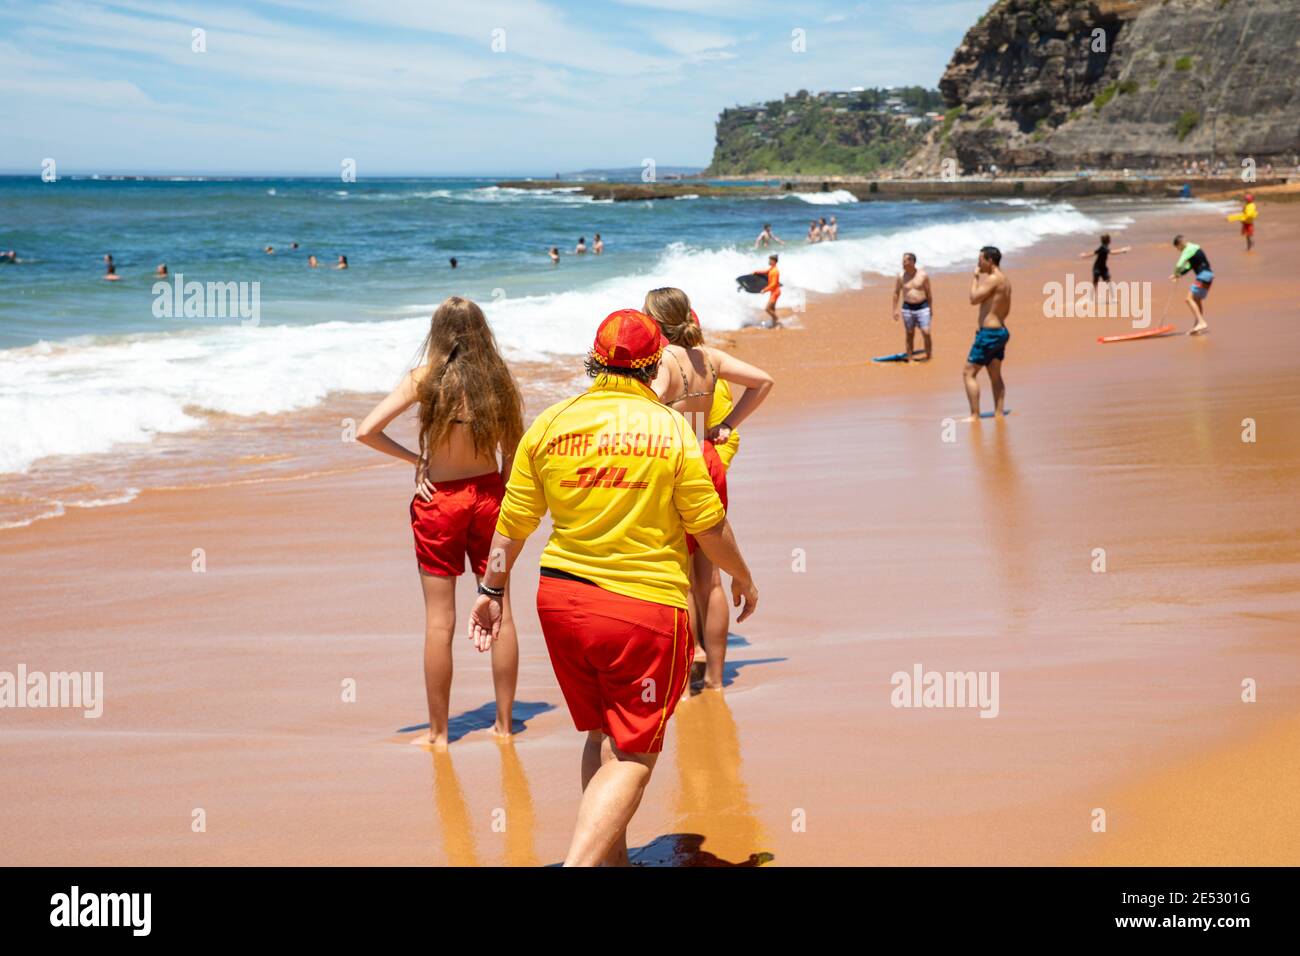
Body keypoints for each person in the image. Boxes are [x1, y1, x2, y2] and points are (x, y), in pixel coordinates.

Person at [467, 308, 759, 867]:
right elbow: (708, 526)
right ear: (654, 368)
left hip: (561, 604)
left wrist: (491, 591)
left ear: (593, 362)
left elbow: (513, 525)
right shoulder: (671, 428)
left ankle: (613, 861)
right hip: (641, 610)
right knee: (635, 755)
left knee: (602, 730)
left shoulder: (550, 424)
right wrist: (743, 576)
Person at [357, 297, 525, 748]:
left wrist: (418, 461)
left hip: (440, 503)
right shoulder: (498, 380)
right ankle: (505, 726)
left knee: (439, 622)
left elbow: (365, 430)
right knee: (501, 612)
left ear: (438, 332)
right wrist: (505, 491)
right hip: (491, 497)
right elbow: (515, 449)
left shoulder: (426, 378)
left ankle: (438, 733)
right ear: (480, 331)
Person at [644, 289, 773, 690]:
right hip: (707, 458)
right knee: (709, 578)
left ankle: (681, 685)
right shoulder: (709, 358)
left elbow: (642, 409)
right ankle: (716, 680)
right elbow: (763, 382)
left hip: (675, 462)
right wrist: (728, 424)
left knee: (677, 577)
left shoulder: (663, 362)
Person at [962, 246, 1011, 421]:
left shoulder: (992, 279)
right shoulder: (1004, 279)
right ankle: (999, 413)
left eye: (980, 259)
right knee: (994, 374)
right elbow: (1006, 308)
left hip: (989, 333)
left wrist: (975, 278)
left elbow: (973, 299)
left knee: (968, 373)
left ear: (990, 261)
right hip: (1000, 331)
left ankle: (974, 415)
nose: (978, 263)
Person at [891, 252, 934, 362]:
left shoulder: (923, 275)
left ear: (912, 262)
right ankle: (910, 358)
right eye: (903, 261)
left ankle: (929, 356)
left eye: (905, 261)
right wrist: (894, 310)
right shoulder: (901, 277)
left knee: (926, 332)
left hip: (922, 306)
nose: (903, 263)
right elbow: (896, 293)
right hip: (907, 307)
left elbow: (929, 293)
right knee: (909, 333)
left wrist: (931, 309)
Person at [1171, 235, 1212, 335]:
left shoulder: (1187, 250)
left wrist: (1176, 273)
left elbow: (1179, 265)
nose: (1178, 250)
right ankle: (1197, 327)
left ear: (1180, 244)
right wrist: (1179, 275)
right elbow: (1190, 266)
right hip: (1209, 276)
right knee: (1197, 300)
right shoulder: (1194, 247)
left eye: (1177, 248)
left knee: (1188, 299)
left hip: (1203, 276)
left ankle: (1201, 322)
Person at [1077, 234, 1130, 301]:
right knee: (1095, 282)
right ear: (1108, 241)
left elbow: (1093, 253)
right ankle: (1090, 298)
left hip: (1103, 268)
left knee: (1108, 281)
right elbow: (1112, 252)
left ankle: (1113, 298)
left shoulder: (1103, 247)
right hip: (1097, 268)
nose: (1110, 240)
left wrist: (1084, 255)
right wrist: (1122, 250)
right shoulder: (1103, 248)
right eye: (1109, 239)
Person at [754, 254, 781, 328]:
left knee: (767, 308)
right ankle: (774, 324)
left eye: (770, 260)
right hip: (774, 292)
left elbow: (774, 284)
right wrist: (756, 272)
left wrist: (764, 290)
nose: (769, 261)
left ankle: (777, 320)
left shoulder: (775, 271)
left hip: (775, 292)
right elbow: (765, 272)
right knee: (772, 309)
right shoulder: (772, 269)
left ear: (773, 261)